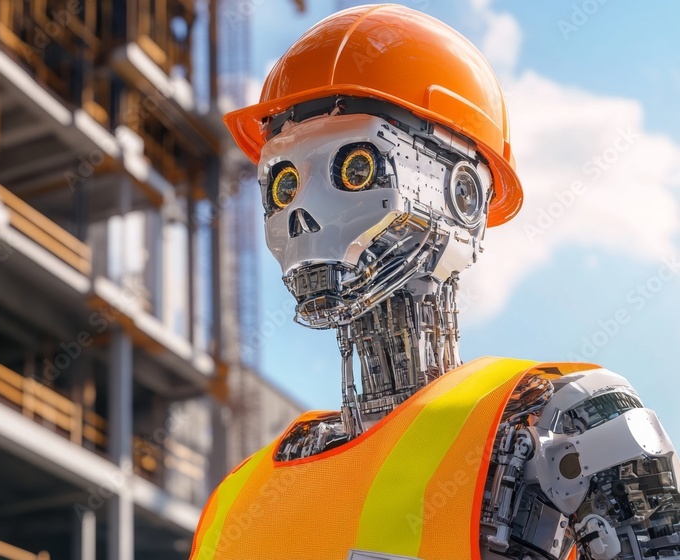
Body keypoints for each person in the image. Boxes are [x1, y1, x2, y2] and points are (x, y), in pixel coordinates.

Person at [190, 5, 680, 560]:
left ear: (463, 196)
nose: (300, 216)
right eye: (283, 185)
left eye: (354, 169)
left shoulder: (570, 428)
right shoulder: (233, 501)